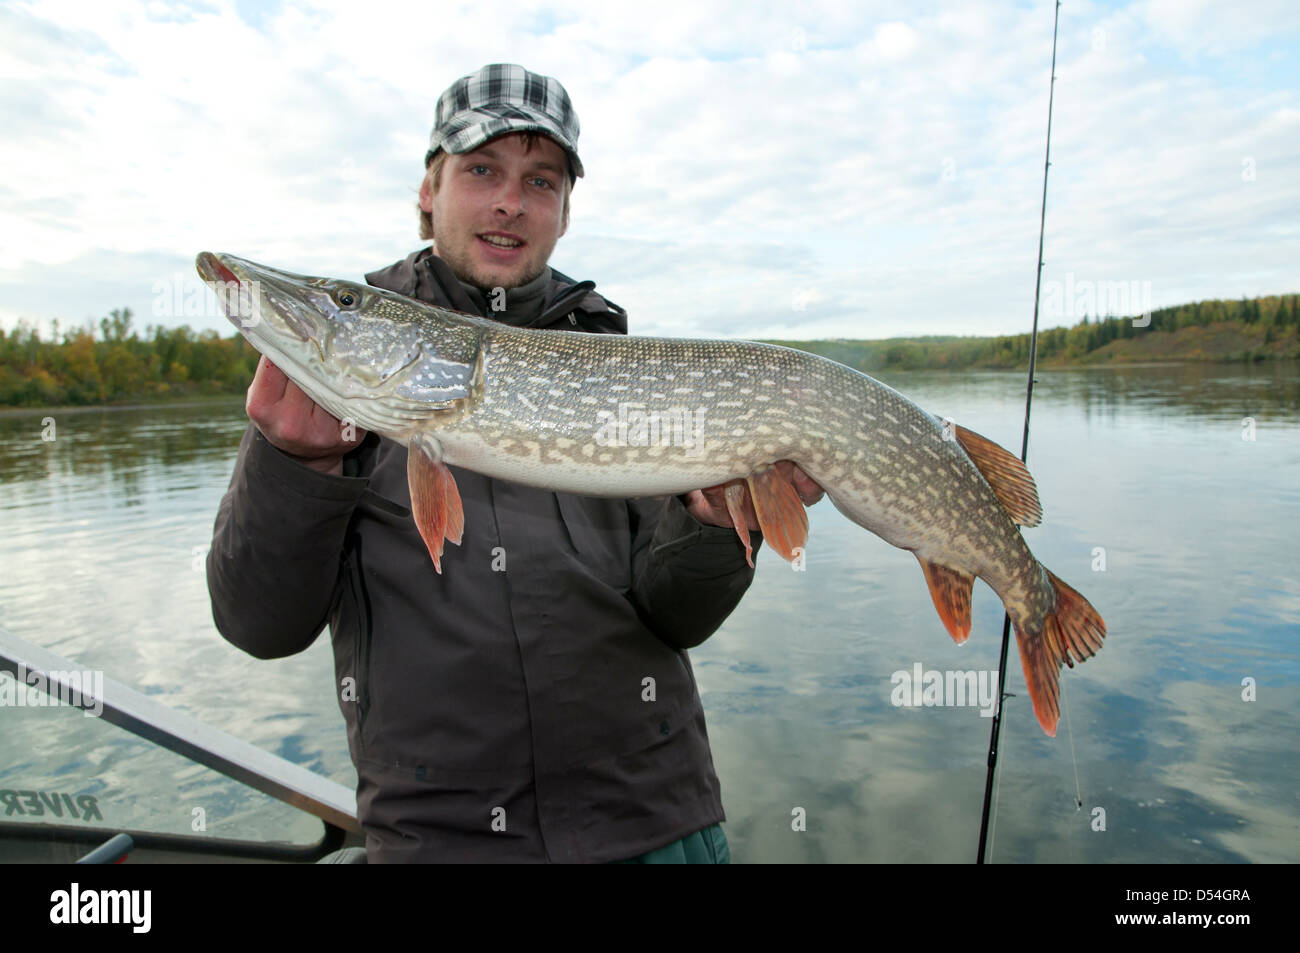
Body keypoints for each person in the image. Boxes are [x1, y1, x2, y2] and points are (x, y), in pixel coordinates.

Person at [207, 63, 822, 863]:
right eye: (482, 170)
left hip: (655, 825)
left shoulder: (620, 366)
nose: (509, 201)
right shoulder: (337, 397)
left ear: (564, 212)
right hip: (445, 842)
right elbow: (259, 624)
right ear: (429, 190)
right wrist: (294, 465)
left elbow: (679, 618)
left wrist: (711, 527)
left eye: (541, 180)